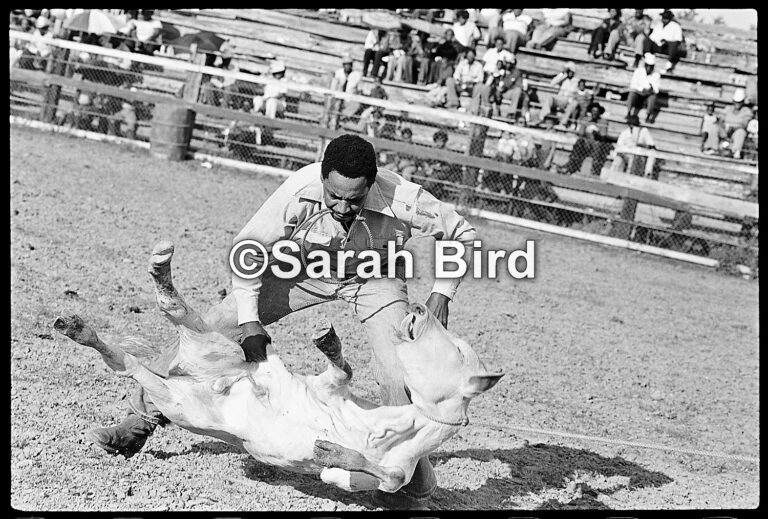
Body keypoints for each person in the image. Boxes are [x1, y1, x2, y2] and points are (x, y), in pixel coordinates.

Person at [87, 134, 477, 510]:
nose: (342, 208)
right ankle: (140, 420)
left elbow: (462, 232)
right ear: (322, 178)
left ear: (372, 185)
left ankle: (408, 485)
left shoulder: (404, 198)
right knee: (213, 329)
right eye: (334, 196)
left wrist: (441, 294)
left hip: (375, 277)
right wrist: (251, 321)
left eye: (353, 200)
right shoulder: (296, 191)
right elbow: (249, 253)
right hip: (301, 268)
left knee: (397, 374)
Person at [557, 102, 611, 177]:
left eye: (596, 111)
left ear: (599, 112)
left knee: (598, 145)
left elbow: (603, 137)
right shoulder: (586, 120)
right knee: (579, 142)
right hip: (586, 144)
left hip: (596, 144)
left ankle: (594, 172)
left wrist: (596, 135)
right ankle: (571, 167)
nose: (594, 113)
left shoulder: (603, 122)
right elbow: (581, 133)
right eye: (593, 111)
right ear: (590, 112)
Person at [702, 89, 753, 159]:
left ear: (742, 102)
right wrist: (722, 127)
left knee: (741, 132)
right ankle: (713, 148)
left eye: (739, 102)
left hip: (736, 132)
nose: (737, 104)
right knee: (713, 127)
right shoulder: (728, 109)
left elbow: (745, 124)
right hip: (725, 130)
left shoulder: (746, 111)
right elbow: (720, 120)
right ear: (733, 101)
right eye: (736, 102)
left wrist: (734, 128)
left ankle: (736, 151)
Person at [530, 61, 579, 126]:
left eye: (570, 71)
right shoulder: (563, 78)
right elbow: (552, 83)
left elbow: (571, 92)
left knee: (571, 102)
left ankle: (560, 123)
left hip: (567, 100)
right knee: (550, 98)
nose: (569, 73)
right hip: (559, 98)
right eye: (568, 71)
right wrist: (562, 74)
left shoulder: (576, 81)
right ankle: (542, 117)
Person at [626, 53, 661, 124]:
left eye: (651, 66)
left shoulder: (656, 75)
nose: (649, 68)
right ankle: (629, 112)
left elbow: (656, 90)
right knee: (631, 94)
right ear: (645, 65)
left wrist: (650, 89)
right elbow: (633, 84)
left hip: (648, 94)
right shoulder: (638, 71)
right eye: (648, 66)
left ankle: (648, 116)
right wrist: (641, 89)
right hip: (638, 93)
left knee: (653, 97)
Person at [648, 10, 684, 74]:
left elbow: (678, 40)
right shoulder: (658, 26)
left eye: (666, 18)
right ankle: (649, 63)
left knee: (674, 45)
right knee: (647, 42)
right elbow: (652, 37)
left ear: (670, 18)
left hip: (669, 48)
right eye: (663, 17)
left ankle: (669, 67)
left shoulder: (676, 26)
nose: (664, 19)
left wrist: (667, 42)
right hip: (658, 46)